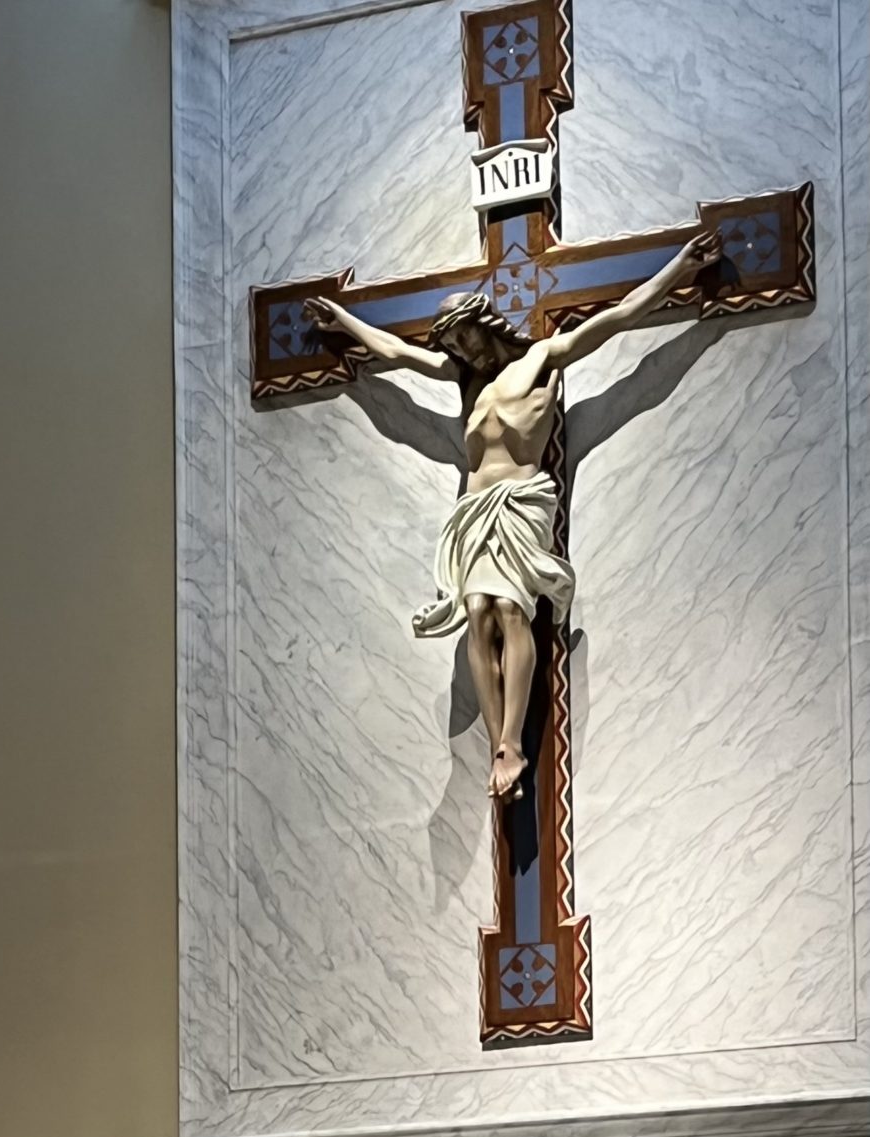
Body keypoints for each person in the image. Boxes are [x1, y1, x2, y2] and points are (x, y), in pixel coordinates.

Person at [304, 229, 721, 800]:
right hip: (475, 507)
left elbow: (622, 315)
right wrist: (345, 324)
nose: (465, 353)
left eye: (468, 340)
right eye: (455, 347)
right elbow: (398, 356)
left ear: (486, 323)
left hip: (522, 501)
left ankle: (511, 742)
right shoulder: (464, 379)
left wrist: (679, 268)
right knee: (478, 610)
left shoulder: (545, 357)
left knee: (510, 608)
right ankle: (497, 742)